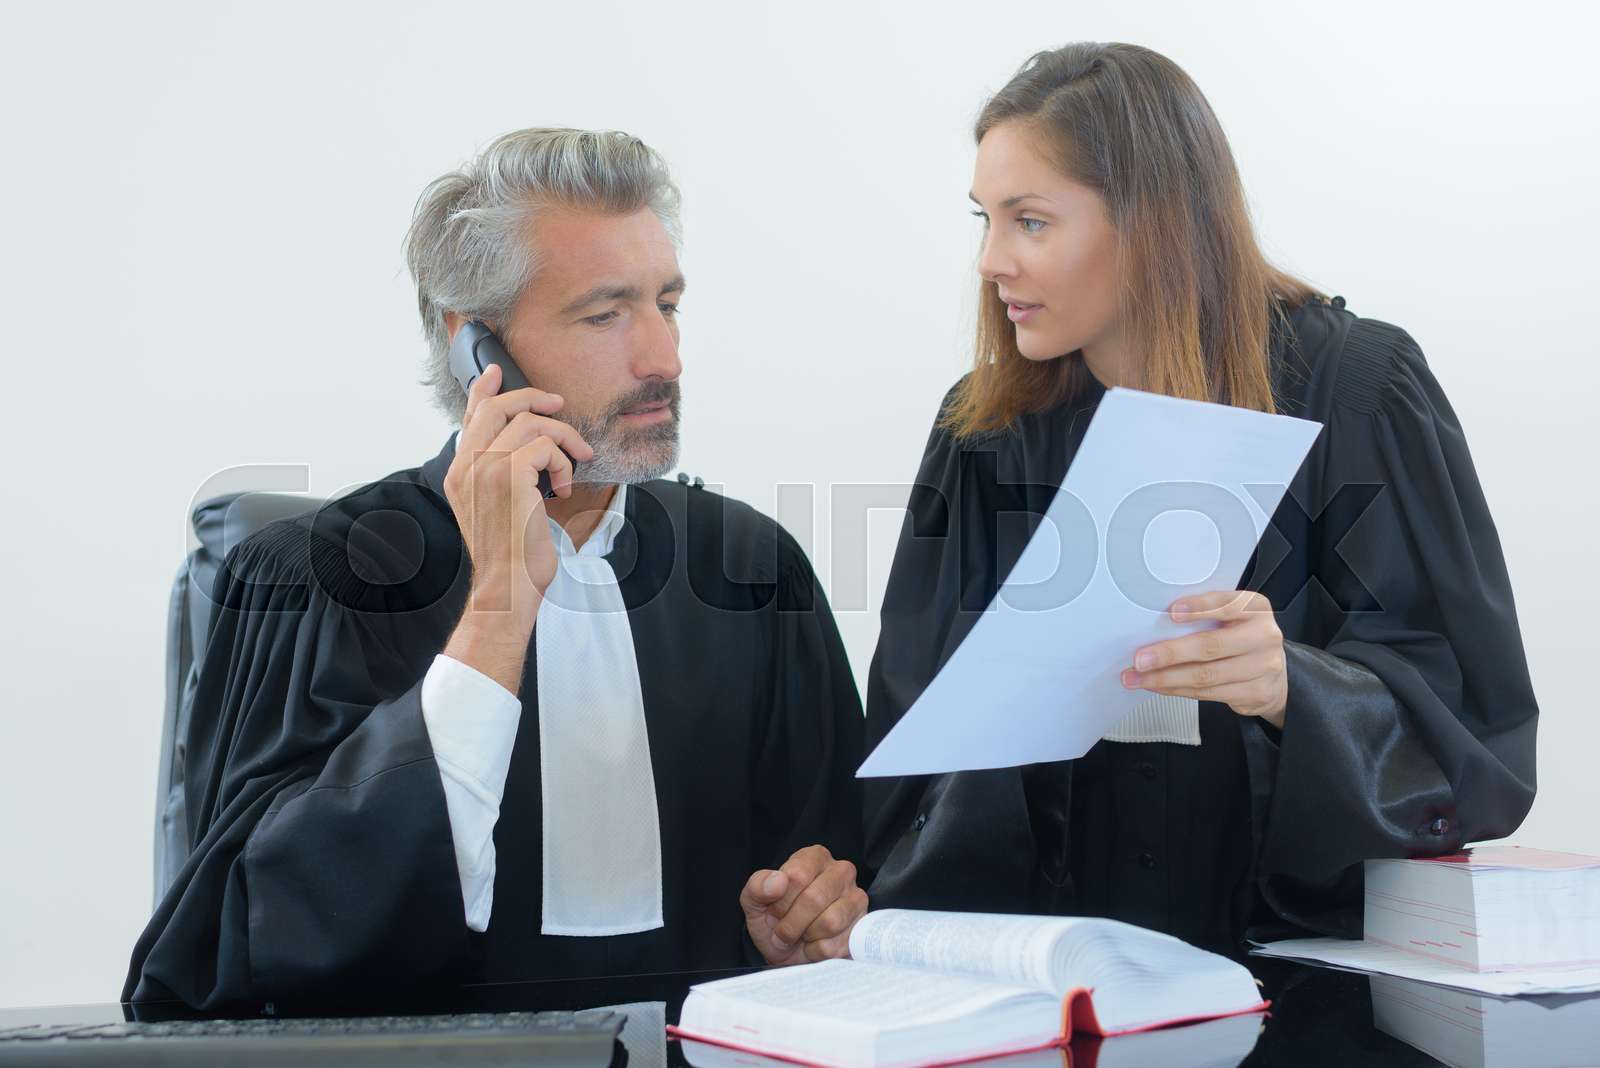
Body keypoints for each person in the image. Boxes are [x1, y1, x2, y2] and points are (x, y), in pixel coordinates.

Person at [126, 128, 867, 1009]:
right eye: (605, 314)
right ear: (473, 344)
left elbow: (844, 891)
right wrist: (500, 608)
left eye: (666, 304)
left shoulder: (751, 570)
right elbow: (222, 955)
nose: (663, 358)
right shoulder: (313, 576)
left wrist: (810, 933)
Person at [863, 43, 1539, 952]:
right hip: (1043, 982)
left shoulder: (1360, 391)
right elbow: (910, 748)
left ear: (1152, 223)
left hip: (1301, 987)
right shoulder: (982, 431)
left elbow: (1477, 735)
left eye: (1029, 222)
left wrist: (1292, 687)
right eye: (985, 219)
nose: (991, 261)